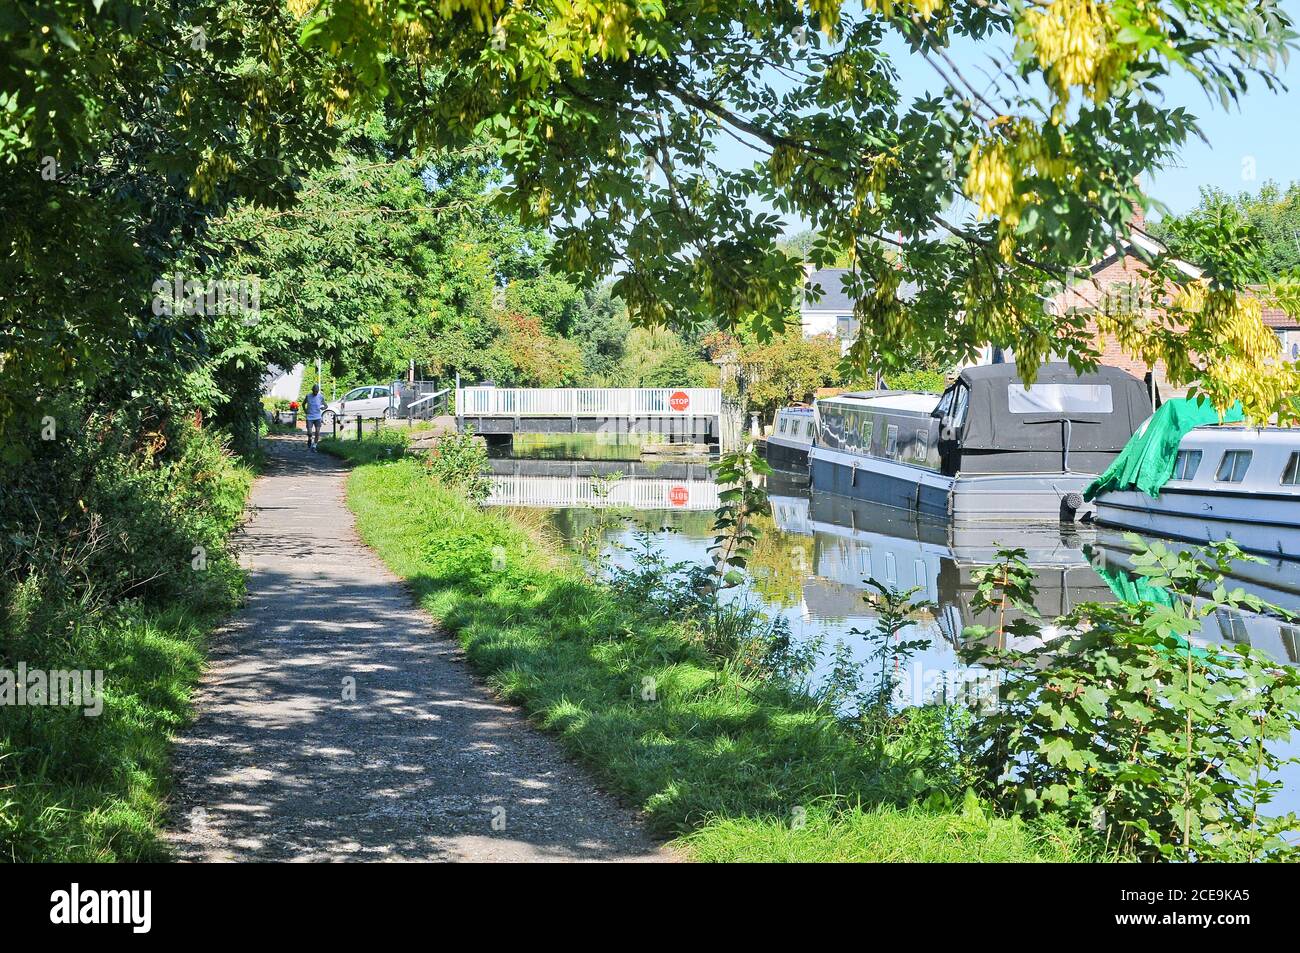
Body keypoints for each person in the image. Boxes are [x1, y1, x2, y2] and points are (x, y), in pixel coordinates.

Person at [304, 384, 326, 450]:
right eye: (314, 391)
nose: (315, 392)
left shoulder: (321, 397)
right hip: (309, 417)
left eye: (317, 391)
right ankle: (309, 438)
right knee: (310, 432)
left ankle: (314, 445)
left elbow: (326, 405)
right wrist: (305, 410)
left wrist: (324, 408)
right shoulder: (308, 396)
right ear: (312, 390)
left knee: (317, 432)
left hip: (317, 417)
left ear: (318, 391)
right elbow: (303, 404)